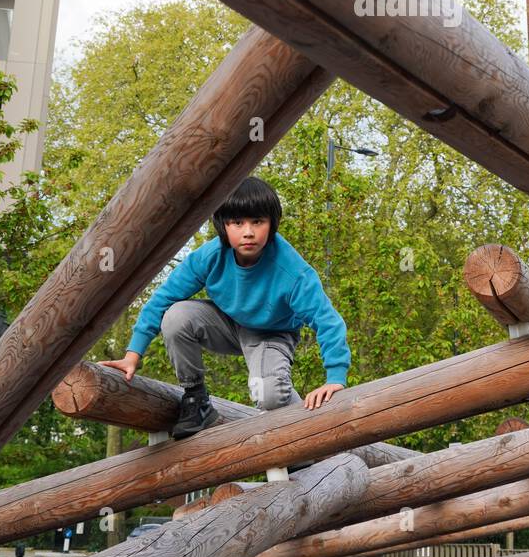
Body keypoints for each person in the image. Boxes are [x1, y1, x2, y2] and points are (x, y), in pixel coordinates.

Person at [100, 175, 350, 439]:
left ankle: (303, 434)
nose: (248, 232)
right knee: (176, 316)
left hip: (270, 334)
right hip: (226, 323)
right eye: (237, 223)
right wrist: (133, 354)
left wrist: (335, 376)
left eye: (258, 222)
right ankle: (197, 401)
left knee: (268, 395)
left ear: (272, 224)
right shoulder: (210, 256)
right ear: (223, 225)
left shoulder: (292, 272)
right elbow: (162, 299)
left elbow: (327, 320)